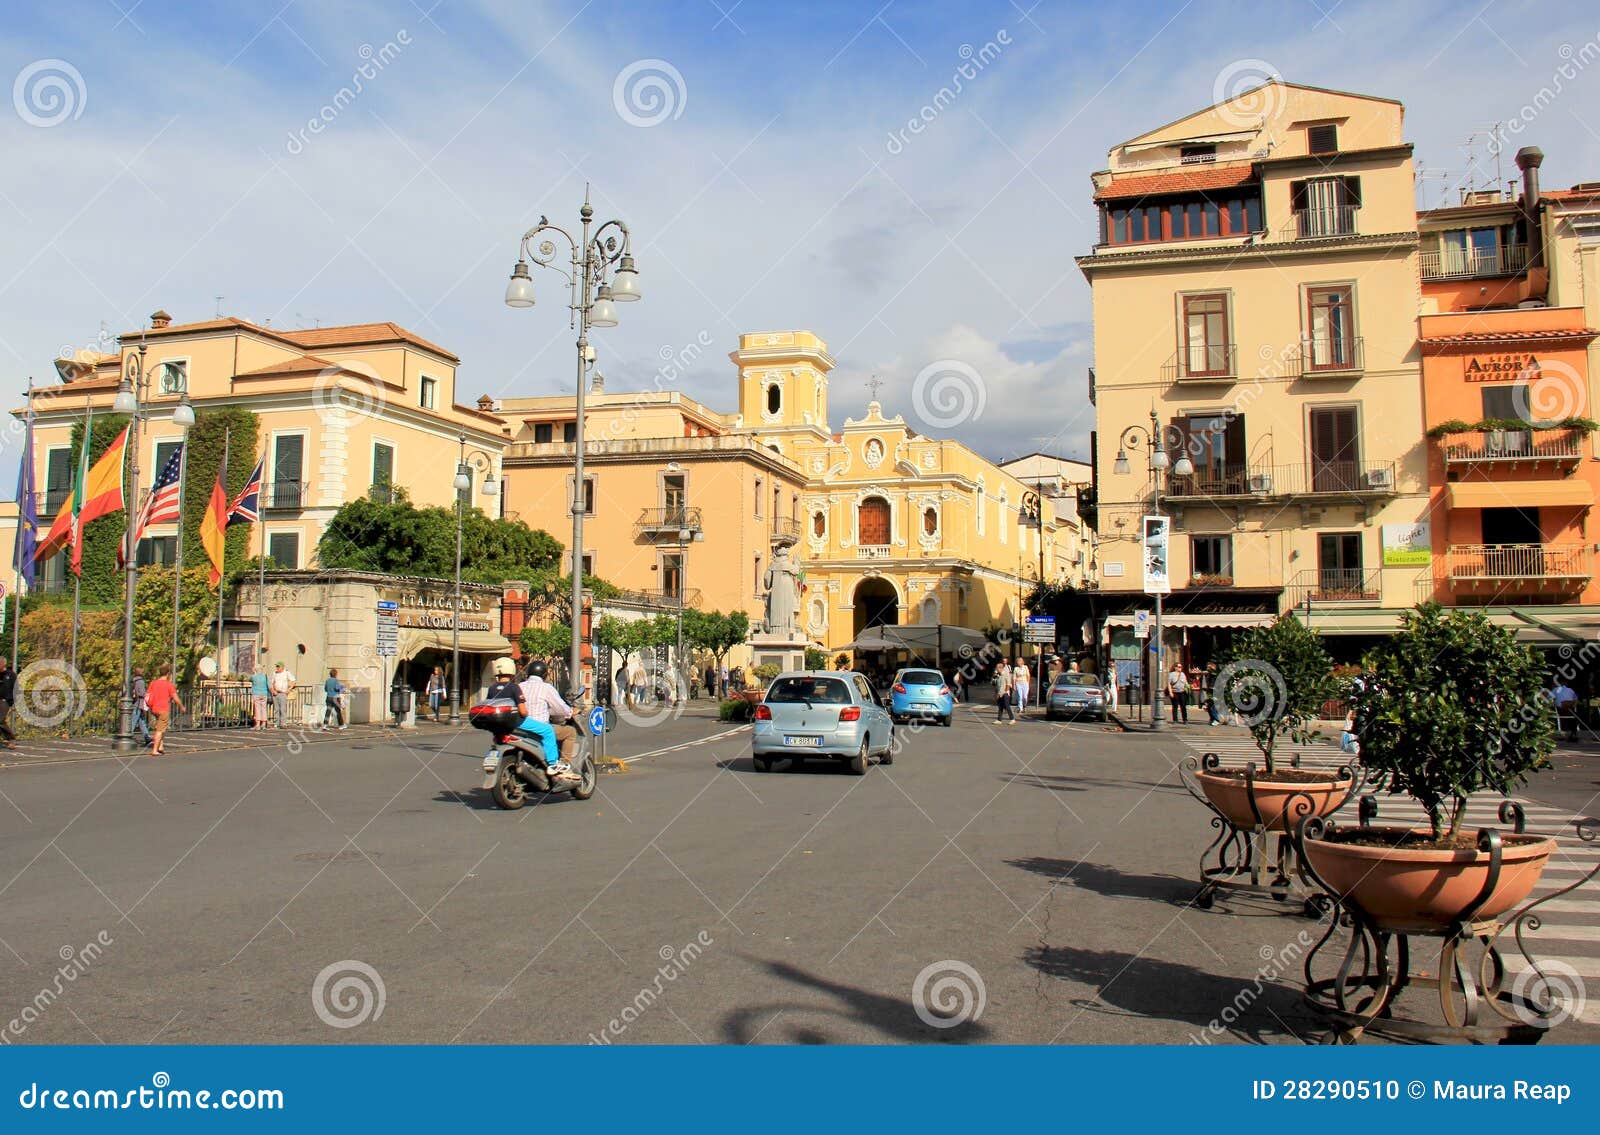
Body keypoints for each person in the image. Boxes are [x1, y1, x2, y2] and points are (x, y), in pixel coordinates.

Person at [519, 659, 577, 770]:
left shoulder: (520, 686)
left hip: (521, 728)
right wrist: (571, 711)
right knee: (570, 732)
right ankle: (563, 767)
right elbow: (560, 707)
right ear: (544, 675)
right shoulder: (546, 688)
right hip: (539, 728)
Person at [145, 663, 184, 756]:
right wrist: (181, 706)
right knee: (160, 730)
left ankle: (160, 746)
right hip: (163, 709)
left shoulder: (153, 683)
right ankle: (154, 749)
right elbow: (175, 697)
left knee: (161, 727)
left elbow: (148, 695)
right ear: (168, 674)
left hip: (154, 708)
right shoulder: (168, 685)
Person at [129, 664, 152, 746]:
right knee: (134, 720)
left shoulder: (133, 680)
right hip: (139, 703)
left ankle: (146, 736)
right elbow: (142, 693)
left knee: (141, 720)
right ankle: (129, 735)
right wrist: (148, 694)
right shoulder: (140, 681)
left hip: (136, 702)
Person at [271, 662, 295, 727]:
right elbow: (272, 682)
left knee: (283, 709)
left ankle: (283, 723)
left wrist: (289, 690)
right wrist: (273, 690)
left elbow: (293, 681)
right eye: (277, 666)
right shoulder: (274, 673)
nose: (277, 668)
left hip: (283, 693)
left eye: (278, 666)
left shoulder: (286, 672)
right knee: (276, 709)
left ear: (282, 667)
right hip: (276, 693)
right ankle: (277, 723)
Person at [0, 657, 16, 748]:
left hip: (4, 701)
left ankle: (11, 739)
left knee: (0, 720)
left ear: (3, 664)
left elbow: (16, 688)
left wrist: (11, 699)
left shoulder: (10, 675)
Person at [249, 665, 270, 730]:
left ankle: (257, 724)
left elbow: (249, 680)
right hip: (264, 693)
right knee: (264, 708)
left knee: (257, 709)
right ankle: (263, 724)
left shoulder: (254, 677)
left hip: (256, 693)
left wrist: (253, 672)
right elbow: (268, 684)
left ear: (255, 670)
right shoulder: (265, 676)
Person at [1203, 661, 1221, 726]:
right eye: (1207, 667)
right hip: (1210, 690)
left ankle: (1216, 720)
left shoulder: (1215, 674)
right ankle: (1212, 719)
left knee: (1213, 706)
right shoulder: (1209, 675)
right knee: (1209, 706)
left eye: (1209, 667)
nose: (1207, 668)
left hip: (1215, 691)